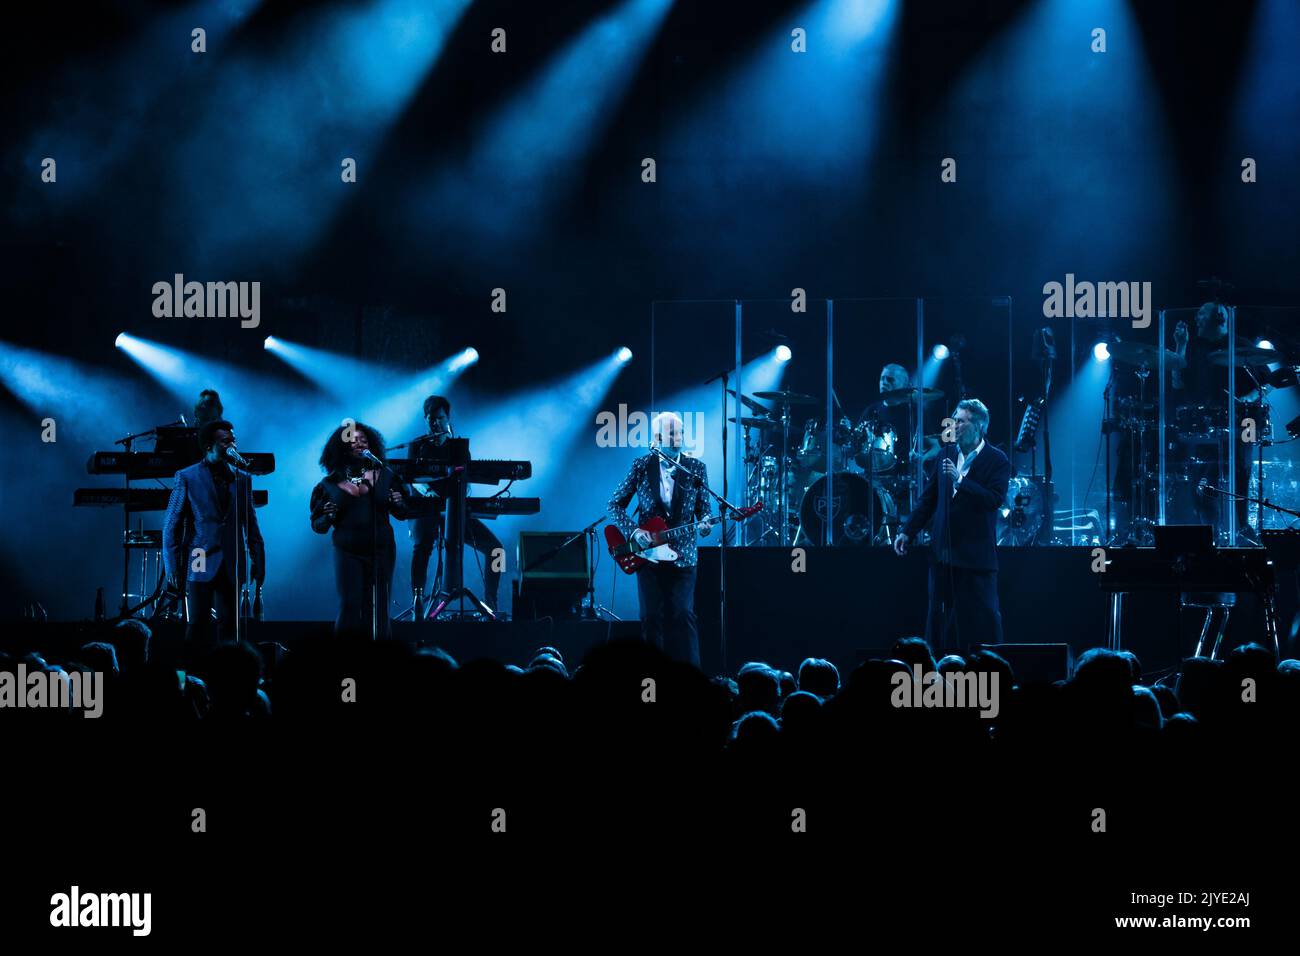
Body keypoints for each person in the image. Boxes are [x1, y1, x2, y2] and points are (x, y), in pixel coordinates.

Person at [893, 399, 1010, 651]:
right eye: (954, 419)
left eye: (961, 421)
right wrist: (907, 531)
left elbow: (994, 499)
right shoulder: (945, 454)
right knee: (938, 619)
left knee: (984, 618)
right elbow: (929, 498)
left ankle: (995, 674)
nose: (954, 425)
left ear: (979, 426)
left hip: (976, 556)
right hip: (943, 553)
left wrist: (961, 481)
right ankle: (936, 675)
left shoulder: (997, 459)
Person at [607, 412, 714, 667]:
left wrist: (706, 523)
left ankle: (691, 677)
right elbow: (614, 504)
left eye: (680, 433)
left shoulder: (695, 468)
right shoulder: (642, 466)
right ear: (657, 438)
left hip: (684, 555)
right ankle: (653, 677)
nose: (678, 438)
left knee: (683, 614)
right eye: (672, 433)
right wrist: (634, 531)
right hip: (648, 554)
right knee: (651, 616)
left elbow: (705, 509)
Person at [162, 419, 265, 650]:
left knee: (230, 626)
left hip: (232, 558)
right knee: (198, 623)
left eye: (233, 441)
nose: (232, 446)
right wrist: (172, 566)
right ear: (209, 446)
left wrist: (259, 559)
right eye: (225, 442)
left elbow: (251, 523)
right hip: (200, 555)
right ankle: (193, 678)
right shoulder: (187, 476)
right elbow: (171, 524)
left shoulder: (242, 478)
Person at [310, 421, 414, 638]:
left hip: (381, 550)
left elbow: (403, 513)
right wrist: (328, 516)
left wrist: (398, 502)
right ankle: (346, 663)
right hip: (348, 550)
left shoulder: (386, 476)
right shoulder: (328, 484)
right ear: (341, 447)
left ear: (372, 446)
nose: (358, 444)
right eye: (352, 440)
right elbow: (318, 526)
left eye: (363, 440)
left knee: (379, 608)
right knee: (350, 605)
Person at [407, 395, 503, 614]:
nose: (435, 423)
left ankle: (491, 602)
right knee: (421, 547)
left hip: (455, 509)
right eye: (431, 419)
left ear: (448, 418)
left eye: (440, 418)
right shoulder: (417, 446)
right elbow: (411, 478)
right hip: (425, 509)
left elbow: (467, 481)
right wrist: (429, 493)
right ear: (425, 419)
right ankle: (418, 600)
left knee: (496, 548)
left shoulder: (458, 447)